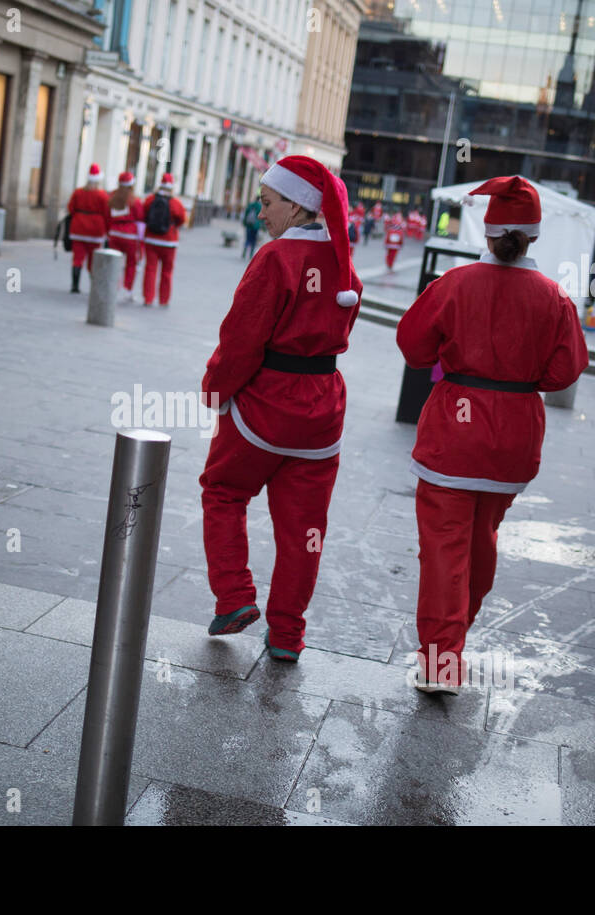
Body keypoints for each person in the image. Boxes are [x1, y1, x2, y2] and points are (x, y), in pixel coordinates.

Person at [395, 176, 588, 694]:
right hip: (513, 439)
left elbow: (414, 348)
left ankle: (441, 661)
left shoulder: (454, 284)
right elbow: (565, 371)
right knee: (481, 543)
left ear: (488, 232)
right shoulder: (554, 298)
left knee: (443, 548)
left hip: (452, 436)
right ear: (532, 236)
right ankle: (453, 641)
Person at [199, 155, 363, 663]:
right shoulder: (342, 258)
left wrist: (214, 389)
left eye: (268, 202)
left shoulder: (275, 259)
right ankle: (288, 635)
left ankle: (234, 597)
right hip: (321, 414)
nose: (261, 212)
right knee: (304, 529)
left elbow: (241, 339)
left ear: (296, 205)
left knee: (223, 492)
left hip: (264, 406)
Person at [141, 173, 188, 306]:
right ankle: (164, 299)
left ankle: (148, 298)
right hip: (169, 241)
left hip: (151, 239)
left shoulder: (150, 199)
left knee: (150, 269)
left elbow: (144, 215)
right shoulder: (176, 203)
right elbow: (182, 220)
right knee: (167, 272)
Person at [66, 163, 110, 293]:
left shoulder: (78, 192)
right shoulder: (102, 195)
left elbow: (71, 208)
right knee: (93, 259)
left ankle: (75, 285)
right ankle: (94, 286)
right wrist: (107, 230)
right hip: (95, 230)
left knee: (77, 258)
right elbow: (107, 214)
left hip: (78, 227)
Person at [106, 171, 145, 303]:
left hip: (114, 233)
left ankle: (113, 286)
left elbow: (107, 215)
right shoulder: (134, 200)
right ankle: (127, 289)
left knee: (114, 262)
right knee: (131, 263)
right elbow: (140, 217)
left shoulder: (112, 196)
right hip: (129, 235)